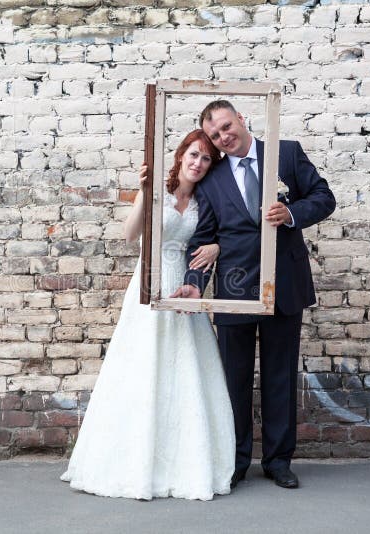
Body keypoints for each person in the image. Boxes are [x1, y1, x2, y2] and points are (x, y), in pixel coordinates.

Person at [61, 130, 235, 500]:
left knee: (186, 371)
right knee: (142, 370)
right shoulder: (158, 191)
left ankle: (186, 462)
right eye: (193, 155)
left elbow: (216, 236)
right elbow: (129, 234)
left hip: (184, 290)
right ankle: (136, 463)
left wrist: (217, 247)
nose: (198, 164)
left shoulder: (207, 202)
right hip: (148, 287)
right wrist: (143, 192)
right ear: (180, 156)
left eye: (205, 159)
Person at [171, 100, 336, 490]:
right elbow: (204, 237)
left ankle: (279, 461)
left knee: (280, 377)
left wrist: (291, 213)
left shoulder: (288, 153)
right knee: (234, 380)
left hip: (285, 285)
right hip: (232, 287)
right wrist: (195, 279)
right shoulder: (211, 178)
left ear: (242, 119)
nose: (223, 137)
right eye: (214, 135)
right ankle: (236, 459)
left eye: (227, 127)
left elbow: (324, 197)